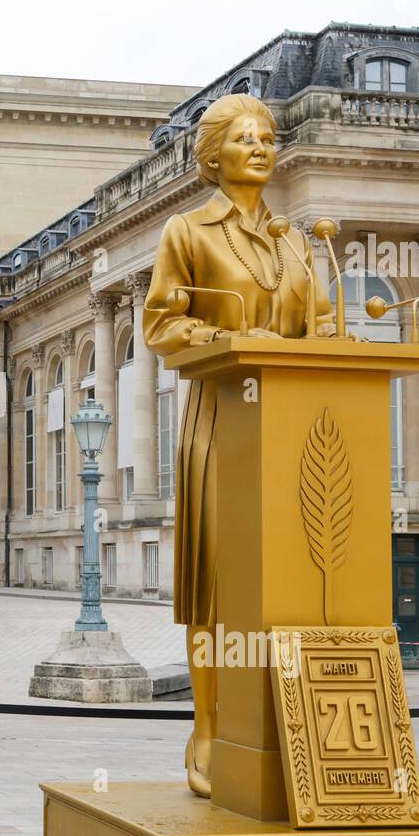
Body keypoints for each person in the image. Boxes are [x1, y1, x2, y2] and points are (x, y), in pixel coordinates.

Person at [142, 94, 333, 798]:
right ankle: (210, 724)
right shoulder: (187, 231)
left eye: (268, 138)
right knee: (217, 585)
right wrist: (223, 340)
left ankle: (288, 730)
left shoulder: (293, 240)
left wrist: (330, 335)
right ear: (214, 154)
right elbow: (161, 325)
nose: (260, 148)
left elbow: (319, 319)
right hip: (221, 423)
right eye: (245, 139)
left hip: (294, 426)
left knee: (294, 578)